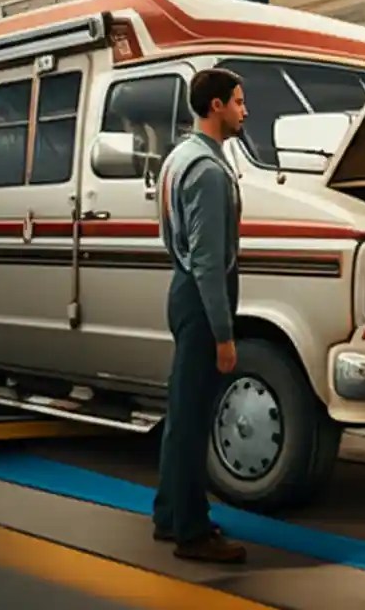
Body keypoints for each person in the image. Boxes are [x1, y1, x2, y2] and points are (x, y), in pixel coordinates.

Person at [151, 67, 249, 563]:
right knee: (193, 419)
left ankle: (169, 514)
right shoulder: (209, 171)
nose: (243, 110)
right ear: (215, 107)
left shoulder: (177, 159)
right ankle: (192, 531)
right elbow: (210, 261)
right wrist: (224, 333)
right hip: (203, 294)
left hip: (182, 288)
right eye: (237, 101)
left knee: (181, 412)